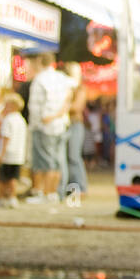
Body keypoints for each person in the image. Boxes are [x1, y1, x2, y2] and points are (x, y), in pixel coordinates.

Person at [25, 52, 72, 202]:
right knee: (56, 161)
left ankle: (43, 193)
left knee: (44, 161)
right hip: (60, 124)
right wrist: (61, 112)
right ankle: (52, 192)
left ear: (39, 61)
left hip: (43, 125)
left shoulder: (40, 79)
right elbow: (71, 93)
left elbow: (36, 107)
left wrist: (46, 118)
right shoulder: (62, 78)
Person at [0, 93, 28, 208]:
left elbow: (6, 137)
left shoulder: (8, 120)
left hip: (8, 154)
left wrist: (0, 153)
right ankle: (12, 197)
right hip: (18, 153)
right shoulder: (21, 120)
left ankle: (1, 197)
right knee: (13, 177)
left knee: (3, 178)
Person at [62, 63, 88, 198]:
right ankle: (70, 186)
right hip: (65, 124)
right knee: (65, 157)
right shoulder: (65, 87)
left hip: (75, 124)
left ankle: (80, 186)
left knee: (73, 156)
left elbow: (77, 107)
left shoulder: (80, 89)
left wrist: (63, 106)